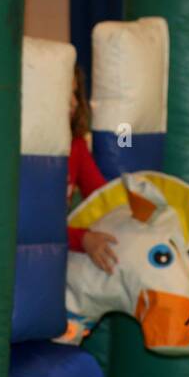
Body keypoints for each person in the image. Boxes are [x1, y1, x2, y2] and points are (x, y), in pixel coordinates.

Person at [68, 67, 118, 274]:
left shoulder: (76, 145)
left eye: (75, 93)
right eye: (64, 94)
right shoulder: (22, 151)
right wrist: (83, 239)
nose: (74, 103)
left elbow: (102, 198)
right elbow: (27, 222)